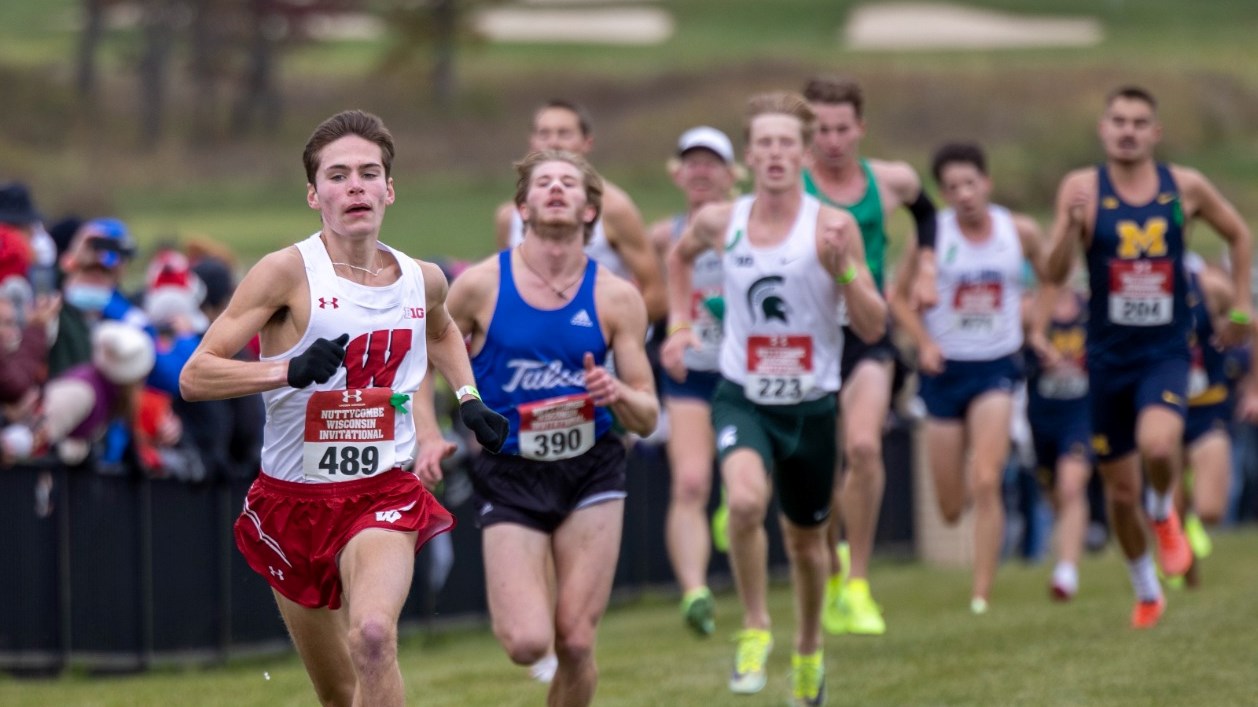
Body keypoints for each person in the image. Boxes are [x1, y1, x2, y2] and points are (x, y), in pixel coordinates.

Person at [178, 109, 508, 706]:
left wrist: (469, 399)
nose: (355, 185)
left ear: (389, 189)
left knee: (375, 637)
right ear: (314, 195)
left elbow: (441, 331)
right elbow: (195, 376)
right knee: (339, 693)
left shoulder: (422, 278)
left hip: (382, 490)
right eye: (337, 175)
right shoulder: (285, 273)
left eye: (368, 172)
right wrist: (286, 369)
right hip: (293, 499)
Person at [664, 91, 885, 706]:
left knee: (808, 546)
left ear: (805, 152)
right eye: (764, 143)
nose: (776, 154)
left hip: (812, 406)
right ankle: (756, 626)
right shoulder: (720, 221)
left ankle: (809, 649)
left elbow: (872, 325)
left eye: (787, 142)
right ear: (749, 157)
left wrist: (844, 272)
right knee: (742, 502)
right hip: (743, 396)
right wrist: (681, 328)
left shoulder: (832, 226)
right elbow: (677, 260)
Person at [435, 149, 658, 707]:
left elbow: (649, 414)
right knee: (528, 642)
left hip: (593, 468)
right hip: (509, 469)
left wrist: (619, 393)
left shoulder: (616, 297)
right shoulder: (479, 286)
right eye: (543, 183)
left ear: (590, 211)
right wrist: (429, 427)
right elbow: (424, 358)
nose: (556, 189)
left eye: (569, 183)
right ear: (521, 206)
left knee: (578, 641)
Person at [1044, 86, 1253, 628]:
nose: (1128, 131)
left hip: (1165, 350)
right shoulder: (1081, 187)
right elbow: (1050, 269)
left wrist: (1242, 305)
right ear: (1103, 128)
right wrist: (1068, 227)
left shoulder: (1184, 186)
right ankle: (1144, 588)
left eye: (1139, 122)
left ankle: (1163, 511)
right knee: (1118, 490)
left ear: (1155, 133)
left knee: (1158, 444)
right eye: (1119, 120)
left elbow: (1238, 232)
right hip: (1107, 357)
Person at [800, 75, 938, 635]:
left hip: (868, 330)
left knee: (863, 445)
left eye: (841, 128)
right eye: (820, 129)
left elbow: (927, 211)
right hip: (807, 339)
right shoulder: (791, 186)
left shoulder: (891, 179)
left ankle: (857, 582)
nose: (831, 140)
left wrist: (924, 263)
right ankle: (830, 570)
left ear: (860, 127)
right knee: (815, 471)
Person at [891, 141, 1048, 614]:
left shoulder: (1016, 230)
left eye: (970, 183)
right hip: (944, 371)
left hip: (997, 366)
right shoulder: (930, 235)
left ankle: (981, 592)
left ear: (987, 183)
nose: (963, 194)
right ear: (942, 192)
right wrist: (924, 342)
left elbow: (1053, 276)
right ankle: (973, 559)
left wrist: (1036, 325)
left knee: (986, 478)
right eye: (952, 187)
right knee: (951, 505)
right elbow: (896, 298)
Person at [647, 125, 739, 637]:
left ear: (731, 174)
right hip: (689, 375)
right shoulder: (663, 235)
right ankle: (694, 592)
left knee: (752, 483)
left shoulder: (751, 226)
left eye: (712, 162)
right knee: (689, 481)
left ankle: (734, 510)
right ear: (678, 173)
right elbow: (642, 296)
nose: (701, 172)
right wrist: (669, 333)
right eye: (692, 162)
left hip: (748, 374)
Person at [494, 99, 666, 321]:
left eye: (564, 133)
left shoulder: (614, 208)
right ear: (532, 142)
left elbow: (657, 296)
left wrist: (603, 332)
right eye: (544, 134)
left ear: (587, 142)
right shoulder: (509, 216)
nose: (553, 142)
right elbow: (503, 289)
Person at [1023, 277, 1094, 601]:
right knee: (1055, 494)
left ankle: (1067, 571)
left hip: (1080, 417)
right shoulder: (1032, 312)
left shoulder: (1090, 310)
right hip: (1042, 419)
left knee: (1071, 486)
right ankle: (1073, 536)